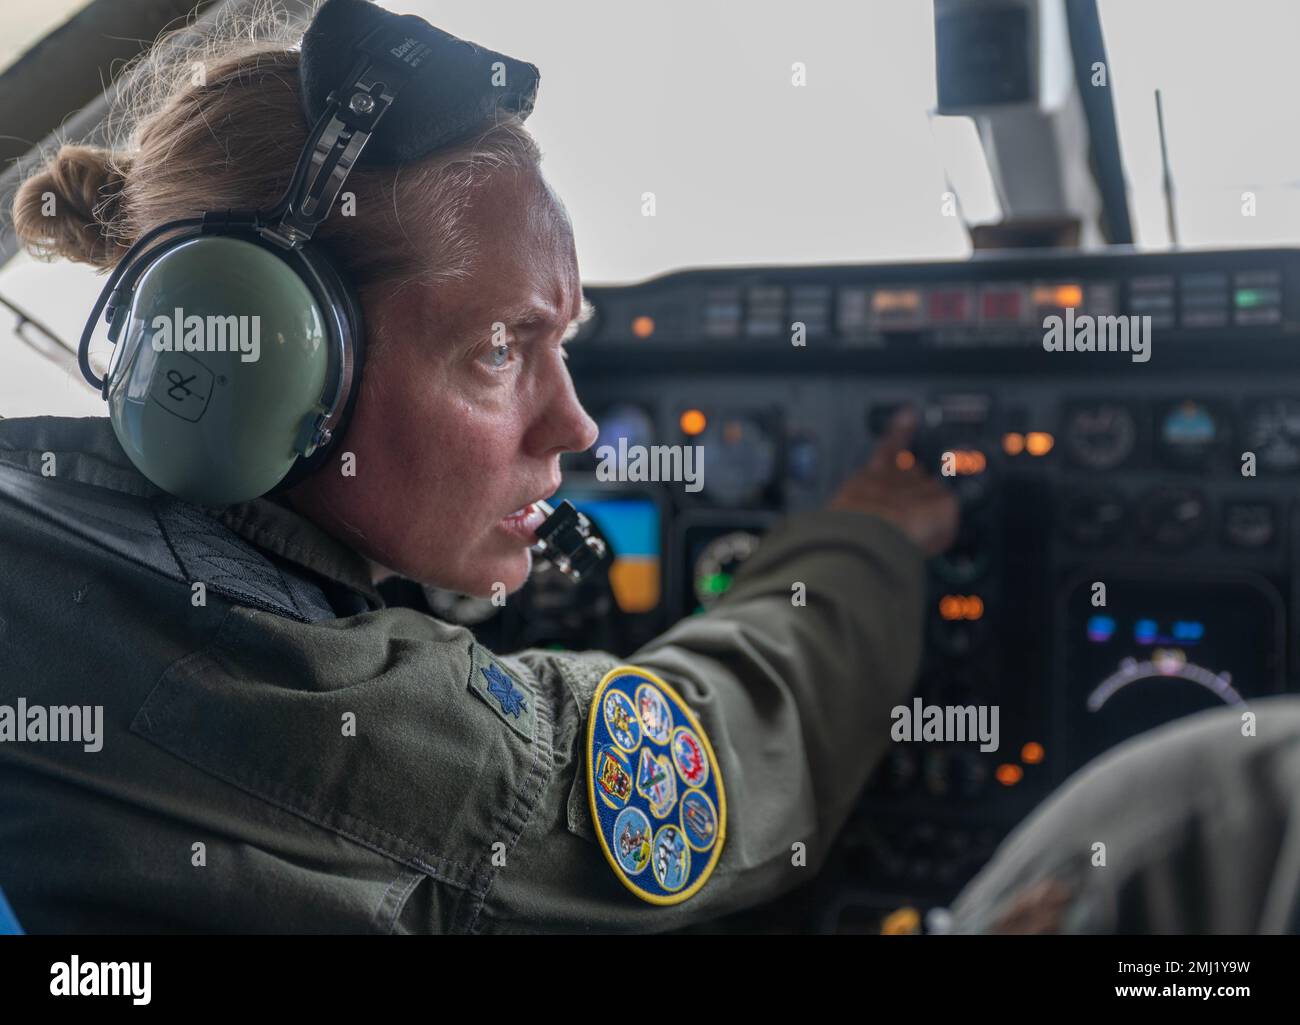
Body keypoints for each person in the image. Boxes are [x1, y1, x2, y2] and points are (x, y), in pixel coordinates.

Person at [0, 8, 957, 933]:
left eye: (563, 344)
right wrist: (866, 538)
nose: (575, 424)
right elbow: (719, 773)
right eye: (502, 350)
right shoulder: (295, 693)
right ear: (268, 361)